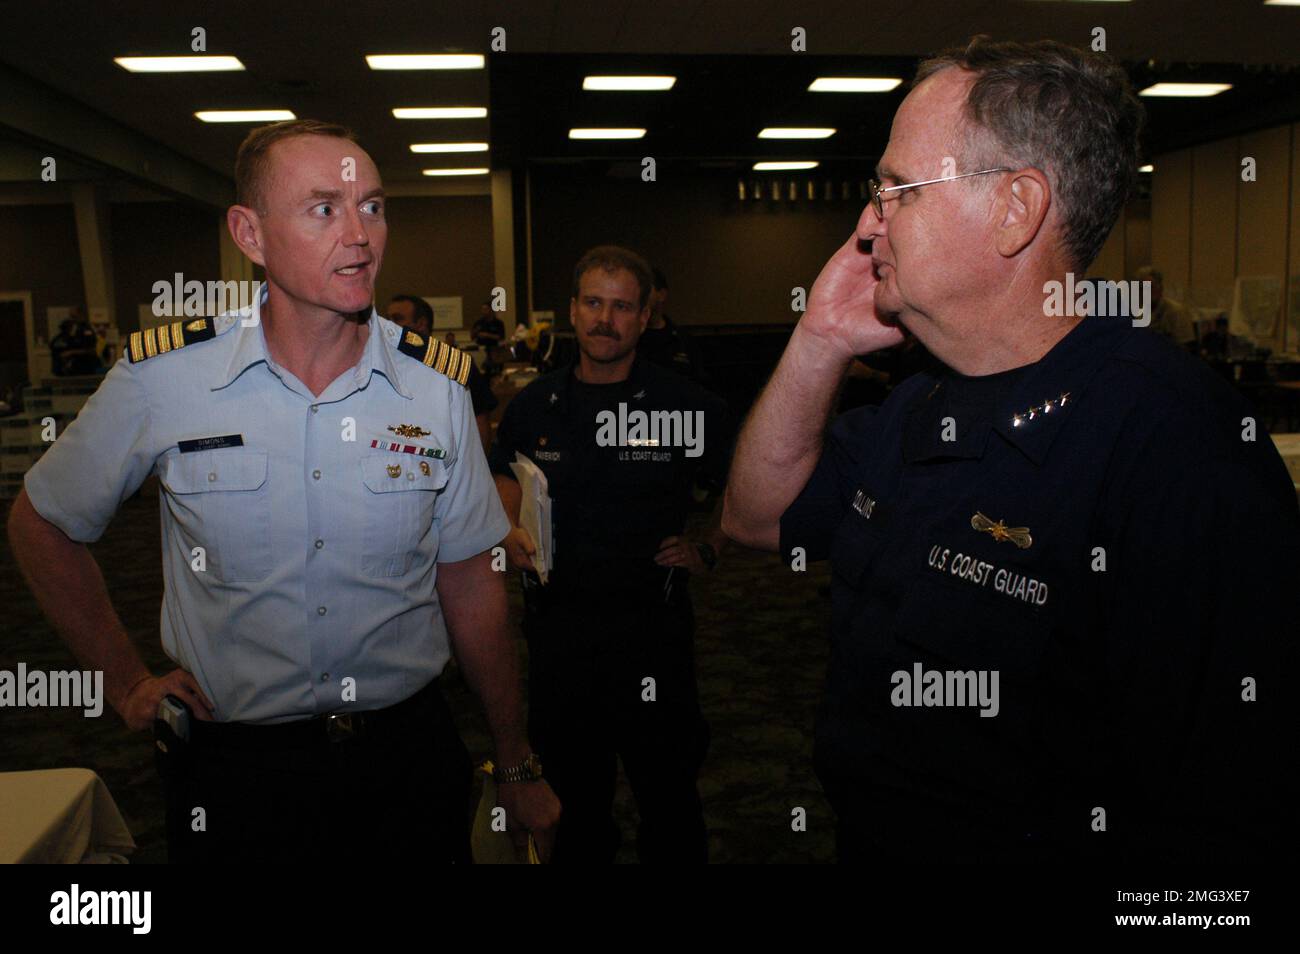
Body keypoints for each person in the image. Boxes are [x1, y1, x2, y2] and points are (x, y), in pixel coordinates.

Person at [722, 37, 1298, 863]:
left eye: (896, 190)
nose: (866, 223)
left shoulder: (1177, 448)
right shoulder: (918, 401)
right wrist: (820, 340)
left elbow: (1235, 806)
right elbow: (754, 519)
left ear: (1015, 210)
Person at [8, 119, 559, 864]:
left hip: (405, 760)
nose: (359, 234)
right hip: (238, 775)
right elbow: (42, 522)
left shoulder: (435, 387)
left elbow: (471, 583)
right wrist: (127, 681)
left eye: (373, 206)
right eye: (324, 208)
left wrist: (515, 758)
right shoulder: (165, 378)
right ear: (251, 234)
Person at [489, 245, 731, 863]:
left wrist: (710, 545)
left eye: (622, 307)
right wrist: (509, 527)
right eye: (593, 303)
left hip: (652, 638)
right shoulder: (535, 404)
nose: (605, 319)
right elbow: (504, 472)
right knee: (573, 810)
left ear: (645, 317)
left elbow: (751, 476)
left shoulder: (683, 404)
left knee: (670, 803)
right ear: (572, 309)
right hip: (559, 638)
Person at [388, 294, 497, 452]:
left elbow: (480, 424)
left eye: (397, 319)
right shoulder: (387, 366)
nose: (389, 326)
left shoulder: (456, 365)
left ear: (421, 324)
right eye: (388, 319)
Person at [638, 268, 707, 384]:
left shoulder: (682, 340)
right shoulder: (630, 337)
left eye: (646, 290)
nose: (640, 296)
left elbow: (698, 382)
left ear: (661, 295)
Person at [1135, 265, 1195, 347]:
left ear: (1161, 288)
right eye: (1142, 288)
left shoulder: (1176, 312)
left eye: (1151, 287)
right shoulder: (1139, 314)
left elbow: (1186, 347)